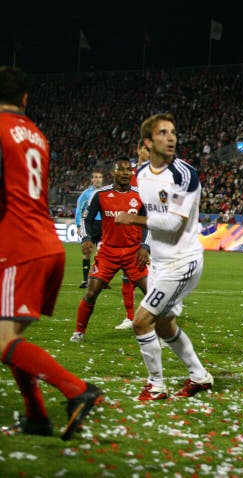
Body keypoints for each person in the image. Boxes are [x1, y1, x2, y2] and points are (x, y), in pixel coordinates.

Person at [0, 66, 102, 439]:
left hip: (17, 246)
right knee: (8, 336)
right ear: (25, 99)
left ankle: (77, 390)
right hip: (46, 244)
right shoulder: (37, 136)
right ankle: (37, 416)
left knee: (2, 340)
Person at [115, 113, 213, 399]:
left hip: (183, 262)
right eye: (163, 133)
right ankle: (199, 376)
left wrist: (132, 220)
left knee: (141, 321)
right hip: (160, 262)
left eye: (173, 132)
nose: (171, 138)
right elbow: (151, 212)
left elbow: (173, 223)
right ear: (148, 142)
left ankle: (156, 386)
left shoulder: (184, 174)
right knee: (163, 323)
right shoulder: (142, 174)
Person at [70, 158, 150, 342]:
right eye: (120, 170)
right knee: (91, 292)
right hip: (108, 252)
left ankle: (161, 334)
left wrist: (145, 247)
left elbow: (148, 223)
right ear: (113, 173)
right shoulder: (100, 195)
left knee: (152, 294)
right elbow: (86, 219)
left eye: (128, 170)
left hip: (133, 253)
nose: (125, 173)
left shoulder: (140, 195)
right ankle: (79, 332)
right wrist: (86, 239)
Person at [76, 168, 137, 328]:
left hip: (108, 227)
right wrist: (79, 227)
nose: (97, 179)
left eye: (99, 177)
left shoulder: (128, 189)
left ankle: (136, 317)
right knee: (90, 254)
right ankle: (87, 279)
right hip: (94, 226)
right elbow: (80, 211)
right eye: (94, 177)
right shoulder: (90, 194)